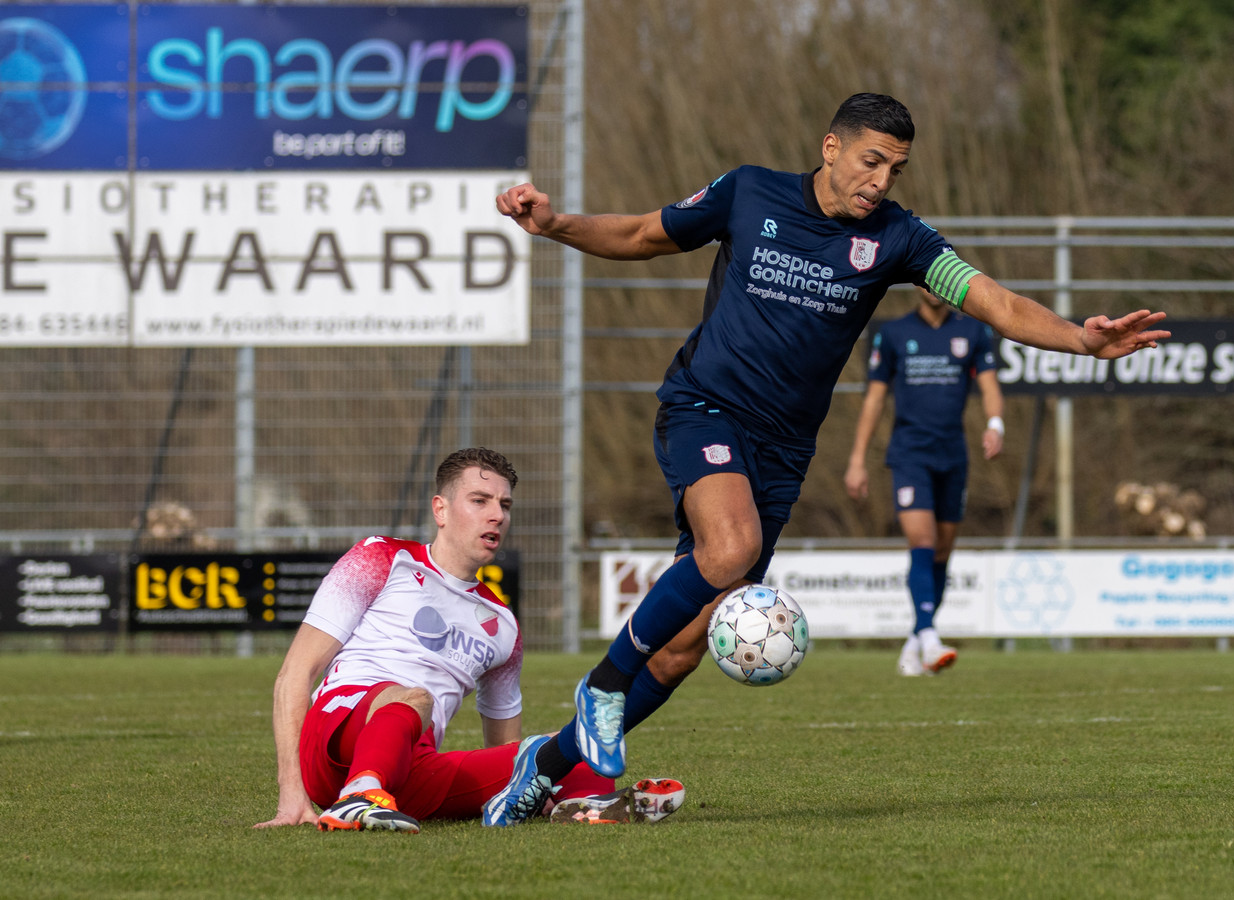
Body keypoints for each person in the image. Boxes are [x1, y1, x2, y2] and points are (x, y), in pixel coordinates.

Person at [482, 92, 1170, 826]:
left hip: (784, 449)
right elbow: (644, 234)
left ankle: (543, 767)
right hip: (705, 407)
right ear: (831, 147)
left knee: (682, 649)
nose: (880, 180)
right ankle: (604, 685)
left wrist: (1080, 339)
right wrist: (554, 224)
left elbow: (991, 300)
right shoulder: (749, 192)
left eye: (895, 169)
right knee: (731, 546)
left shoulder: (898, 238)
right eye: (871, 160)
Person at [254, 447, 684, 832]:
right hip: (335, 739)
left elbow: (510, 749)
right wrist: (292, 795)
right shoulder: (381, 557)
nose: (496, 515)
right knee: (413, 699)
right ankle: (358, 795)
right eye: (480, 501)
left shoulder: (504, 625)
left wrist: (543, 771)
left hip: (410, 772)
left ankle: (586, 805)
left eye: (504, 505)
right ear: (440, 510)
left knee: (563, 747)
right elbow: (295, 674)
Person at [844, 287, 1004, 676]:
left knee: (942, 551)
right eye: (925, 281)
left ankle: (916, 639)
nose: (932, 288)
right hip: (909, 455)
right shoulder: (893, 333)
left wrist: (995, 425)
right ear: (916, 284)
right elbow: (874, 399)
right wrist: (857, 459)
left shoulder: (973, 332)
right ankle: (931, 637)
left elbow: (989, 387)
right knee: (923, 541)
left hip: (953, 455)